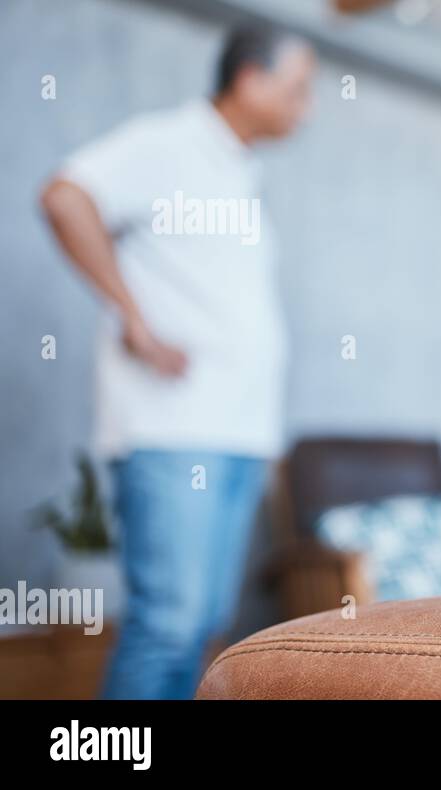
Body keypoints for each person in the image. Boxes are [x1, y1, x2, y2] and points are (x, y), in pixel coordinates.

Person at [39, 25, 316, 698]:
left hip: (237, 434)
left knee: (202, 629)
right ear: (250, 80)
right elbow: (66, 196)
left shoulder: (242, 173)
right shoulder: (169, 145)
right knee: (167, 626)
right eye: (299, 90)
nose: (307, 106)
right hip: (172, 429)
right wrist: (134, 318)